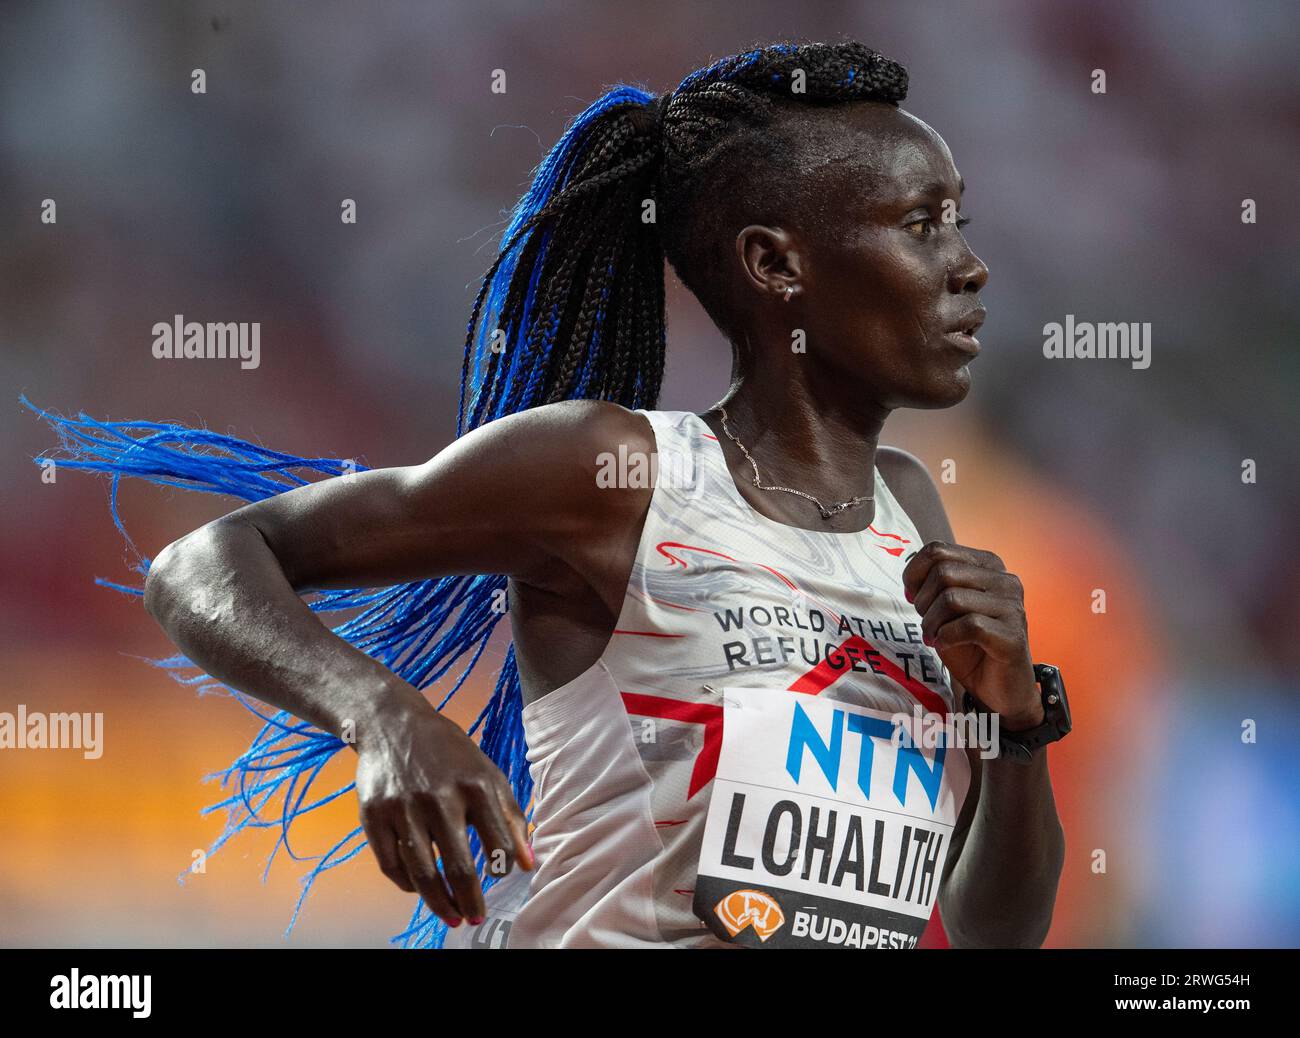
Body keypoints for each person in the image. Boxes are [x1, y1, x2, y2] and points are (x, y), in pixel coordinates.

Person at [27, 40, 1065, 949]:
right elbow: (202, 564)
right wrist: (383, 716)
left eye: (957, 223)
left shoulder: (906, 511)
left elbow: (987, 930)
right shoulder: (612, 474)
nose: (968, 266)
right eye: (921, 225)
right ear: (774, 264)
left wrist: (1015, 726)